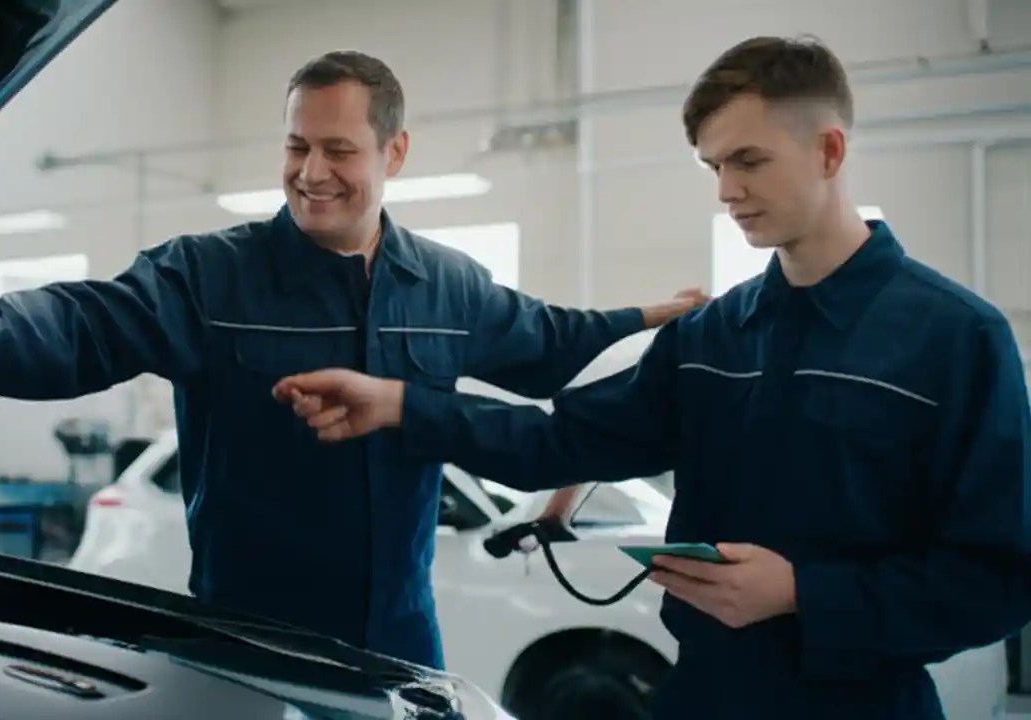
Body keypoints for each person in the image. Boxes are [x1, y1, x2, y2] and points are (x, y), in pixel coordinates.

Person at [0, 49, 703, 670]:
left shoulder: (449, 286)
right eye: (298, 146)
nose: (311, 172)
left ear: (393, 154)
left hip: (402, 631)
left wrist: (650, 316)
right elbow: (89, 321)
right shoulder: (210, 274)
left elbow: (547, 341)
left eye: (340, 150)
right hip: (245, 633)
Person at [272, 36, 1031, 719]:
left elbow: (998, 579)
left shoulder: (956, 340)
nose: (726, 190)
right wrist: (403, 405)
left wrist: (803, 592)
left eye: (748, 161)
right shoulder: (711, 337)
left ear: (830, 151)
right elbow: (560, 440)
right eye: (714, 165)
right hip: (701, 694)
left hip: (865, 705)